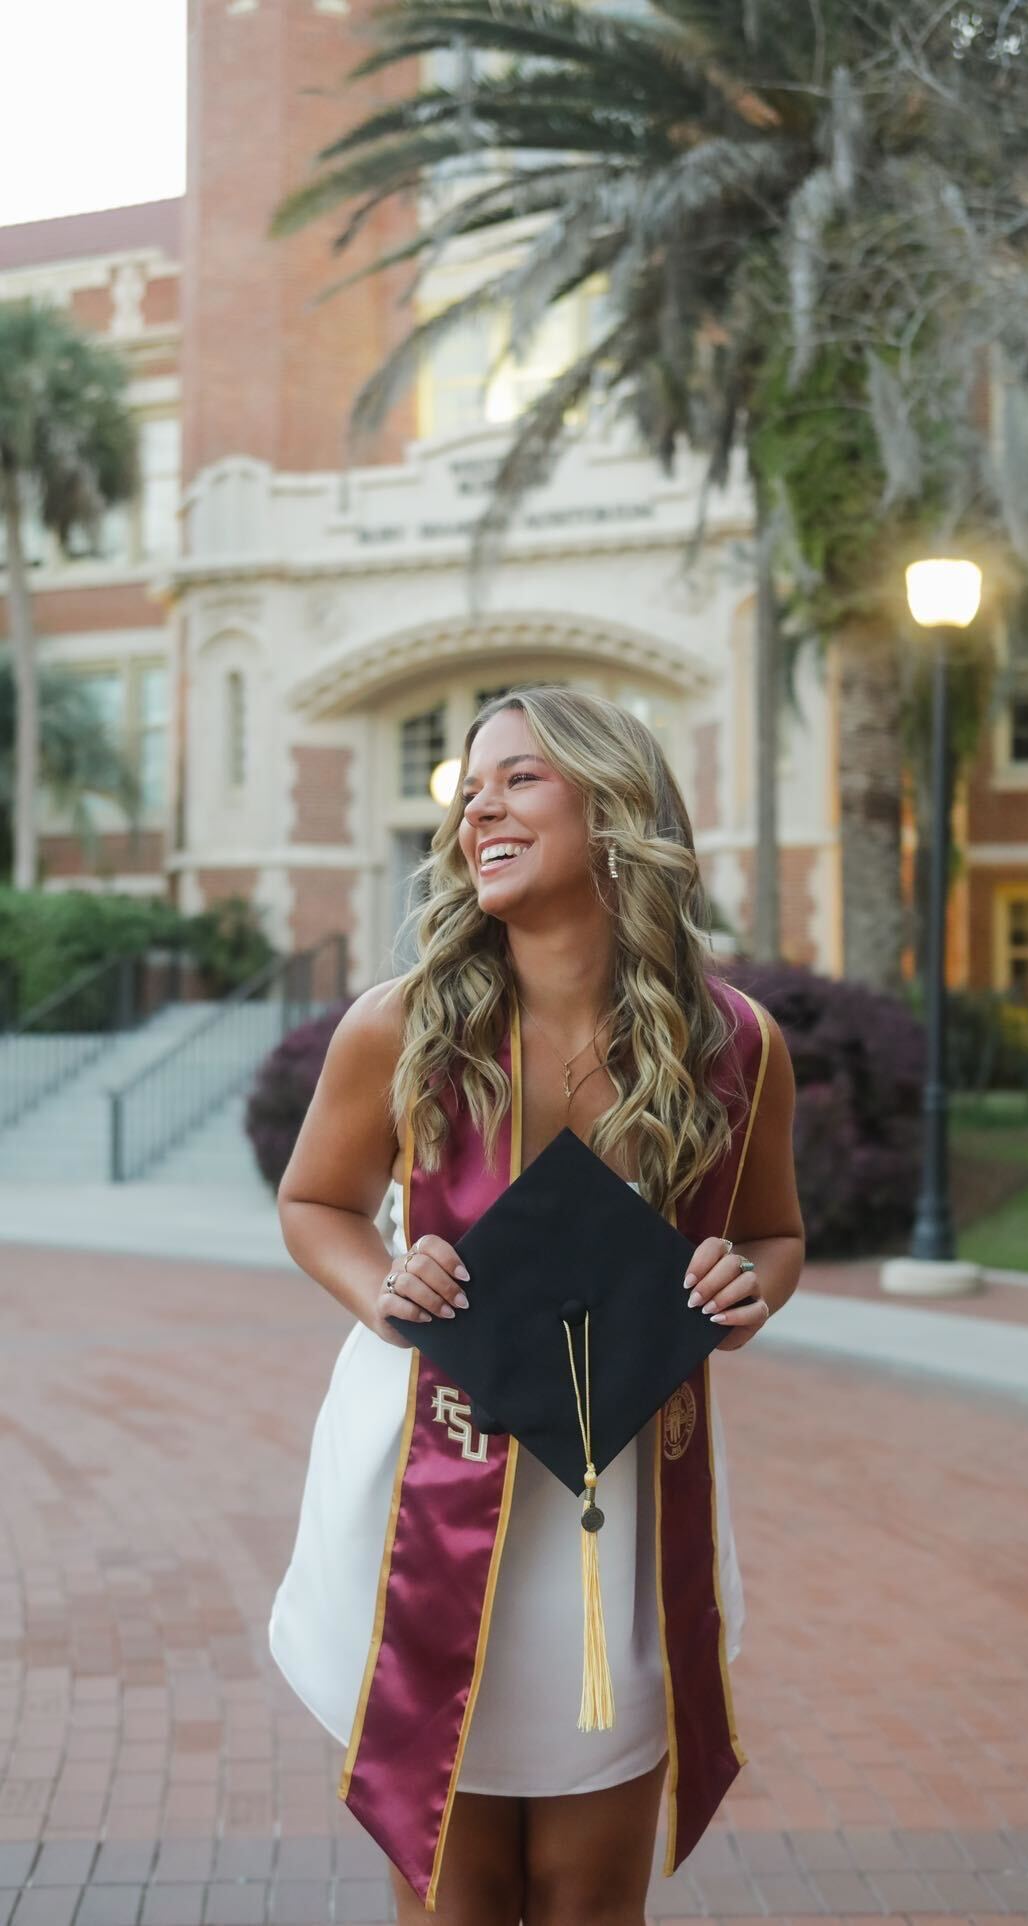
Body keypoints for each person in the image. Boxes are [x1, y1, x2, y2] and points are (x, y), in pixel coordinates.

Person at [271, 685, 804, 1925]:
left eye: (521, 778)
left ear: (617, 807)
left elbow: (774, 1235)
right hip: (425, 1484)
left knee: (590, 1900)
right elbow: (314, 1203)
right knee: (451, 1901)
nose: (480, 810)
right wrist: (383, 1285)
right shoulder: (404, 1025)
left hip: (621, 1503)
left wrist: (749, 1289)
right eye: (471, 788)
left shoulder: (734, 1044)